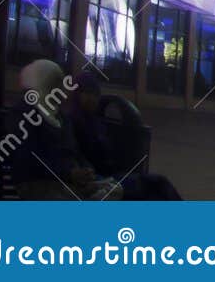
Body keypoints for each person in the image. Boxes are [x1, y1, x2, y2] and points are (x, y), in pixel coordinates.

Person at [10, 59, 122, 200]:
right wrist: (68, 173)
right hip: (39, 183)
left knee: (114, 189)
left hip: (67, 182)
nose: (60, 90)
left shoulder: (60, 116)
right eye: (53, 84)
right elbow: (30, 159)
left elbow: (74, 151)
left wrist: (86, 170)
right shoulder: (24, 113)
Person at [68, 71, 181, 199]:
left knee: (159, 184)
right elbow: (78, 156)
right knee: (158, 186)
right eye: (86, 93)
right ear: (77, 95)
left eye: (94, 94)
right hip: (103, 180)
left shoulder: (95, 121)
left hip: (112, 176)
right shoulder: (73, 122)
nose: (91, 99)